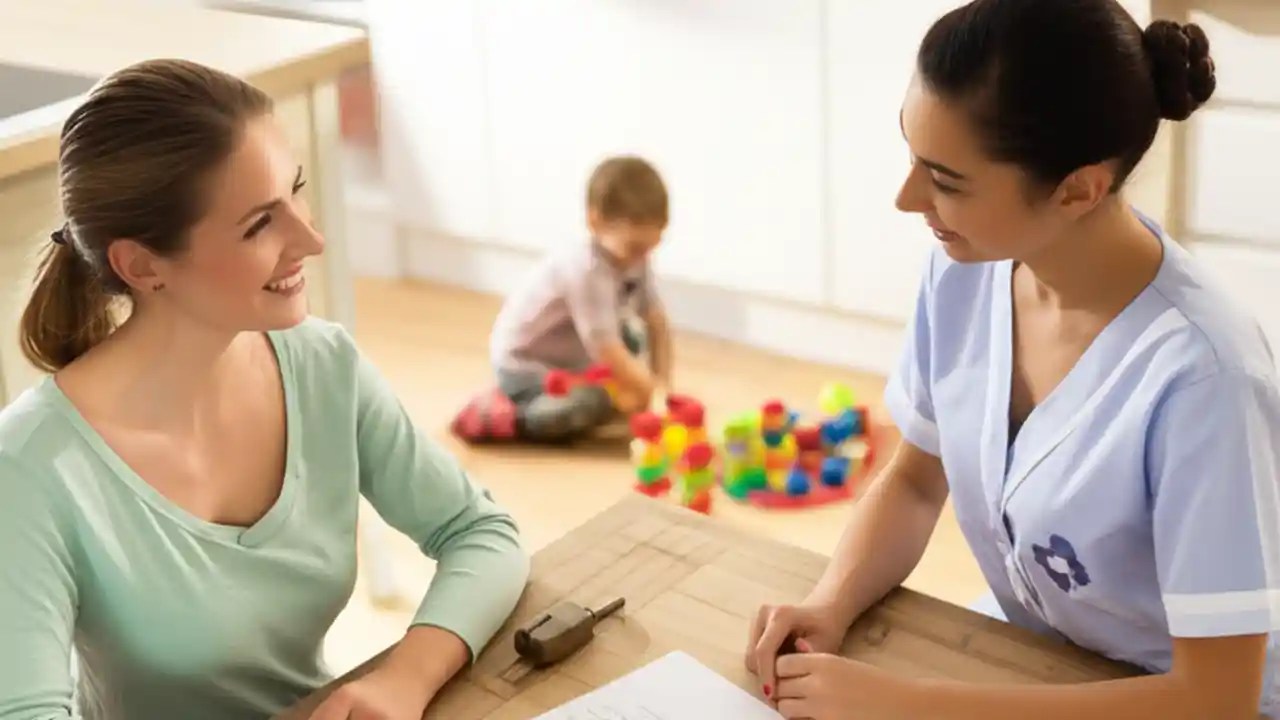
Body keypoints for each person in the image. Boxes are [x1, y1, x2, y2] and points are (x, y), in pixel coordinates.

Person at [746, 1, 1280, 718]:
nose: (908, 200)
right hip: (1035, 662)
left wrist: (915, 707)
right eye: (913, 157)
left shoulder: (1206, 380)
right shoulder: (966, 268)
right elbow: (915, 477)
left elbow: (1217, 697)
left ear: (1077, 189)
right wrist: (829, 603)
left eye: (946, 180)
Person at [0, 59, 529, 720]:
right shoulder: (29, 467)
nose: (311, 238)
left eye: (297, 191)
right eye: (258, 224)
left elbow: (480, 532)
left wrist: (405, 679)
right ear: (141, 265)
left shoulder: (321, 365)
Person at [487, 155, 674, 442]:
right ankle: (504, 416)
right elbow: (607, 351)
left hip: (577, 353)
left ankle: (605, 391)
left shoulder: (636, 259)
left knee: (632, 341)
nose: (643, 257)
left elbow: (656, 322)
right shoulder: (585, 269)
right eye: (634, 247)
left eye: (651, 246)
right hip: (527, 368)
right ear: (595, 222)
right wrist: (653, 396)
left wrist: (662, 387)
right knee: (586, 406)